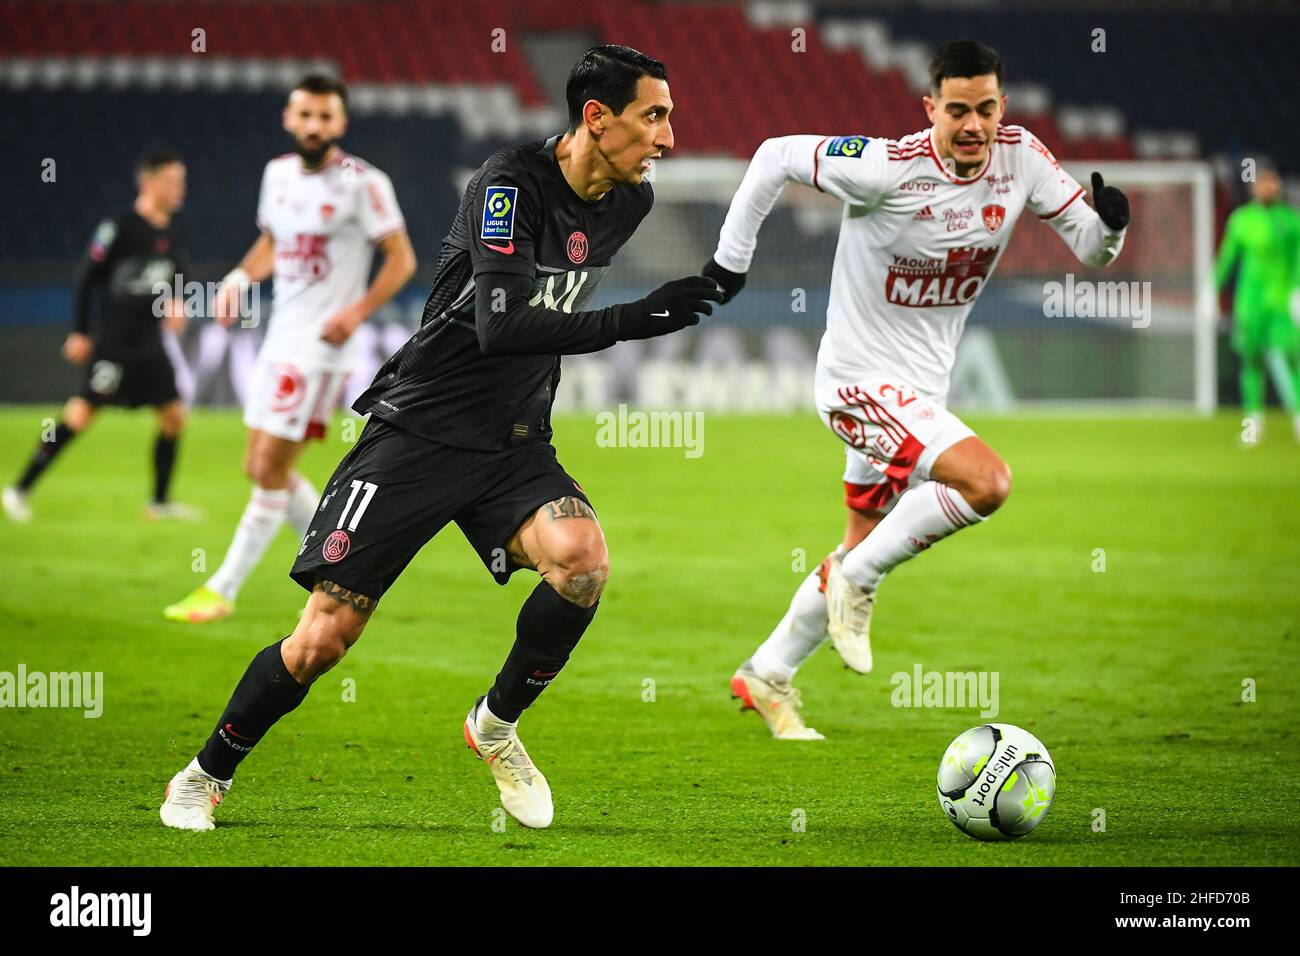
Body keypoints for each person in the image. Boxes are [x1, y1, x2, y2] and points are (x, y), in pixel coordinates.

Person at [159, 45, 721, 832]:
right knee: (323, 640)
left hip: (514, 440)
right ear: (597, 118)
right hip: (419, 429)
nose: (667, 138)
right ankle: (203, 774)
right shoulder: (508, 184)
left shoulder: (631, 200)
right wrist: (637, 317)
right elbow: (501, 327)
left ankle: (495, 725)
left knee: (583, 564)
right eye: (653, 116)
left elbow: (548, 319)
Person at [702, 40, 1131, 739]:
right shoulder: (887, 168)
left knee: (860, 539)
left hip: (920, 397)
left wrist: (1112, 225)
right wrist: (729, 264)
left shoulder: (1020, 157)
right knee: (986, 483)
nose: (973, 125)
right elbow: (776, 153)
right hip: (856, 387)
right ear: (929, 108)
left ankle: (768, 672)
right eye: (957, 110)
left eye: (986, 108)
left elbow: (1090, 246)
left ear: (1002, 106)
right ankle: (859, 584)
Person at [163, 73, 416, 623]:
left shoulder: (364, 184)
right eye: (305, 115)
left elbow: (401, 260)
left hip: (321, 351)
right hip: (281, 337)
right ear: (288, 118)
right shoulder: (276, 175)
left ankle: (222, 589)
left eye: (325, 117)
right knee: (261, 467)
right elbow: (274, 244)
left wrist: (354, 313)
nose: (314, 126)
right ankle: (340, 568)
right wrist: (236, 279)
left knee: (269, 467)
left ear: (341, 124)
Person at [5, 149, 196, 523]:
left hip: (149, 344)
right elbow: (85, 277)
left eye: (181, 182)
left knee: (173, 416)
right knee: (80, 414)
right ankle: (18, 489)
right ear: (149, 182)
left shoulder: (172, 229)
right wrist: (80, 331)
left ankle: (158, 502)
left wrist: (178, 299)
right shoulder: (119, 226)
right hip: (115, 342)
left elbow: (178, 268)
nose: (179, 189)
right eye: (173, 181)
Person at [1214, 166, 1300, 443]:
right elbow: (1228, 258)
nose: (1266, 188)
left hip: (1280, 302)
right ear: (1254, 187)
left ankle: (1298, 417)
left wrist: (1297, 292)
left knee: (1291, 357)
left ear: (1278, 186)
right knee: (1250, 361)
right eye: (1261, 183)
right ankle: (1253, 424)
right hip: (1249, 304)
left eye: (1270, 182)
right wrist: (1211, 289)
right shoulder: (1242, 220)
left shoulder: (1291, 221)